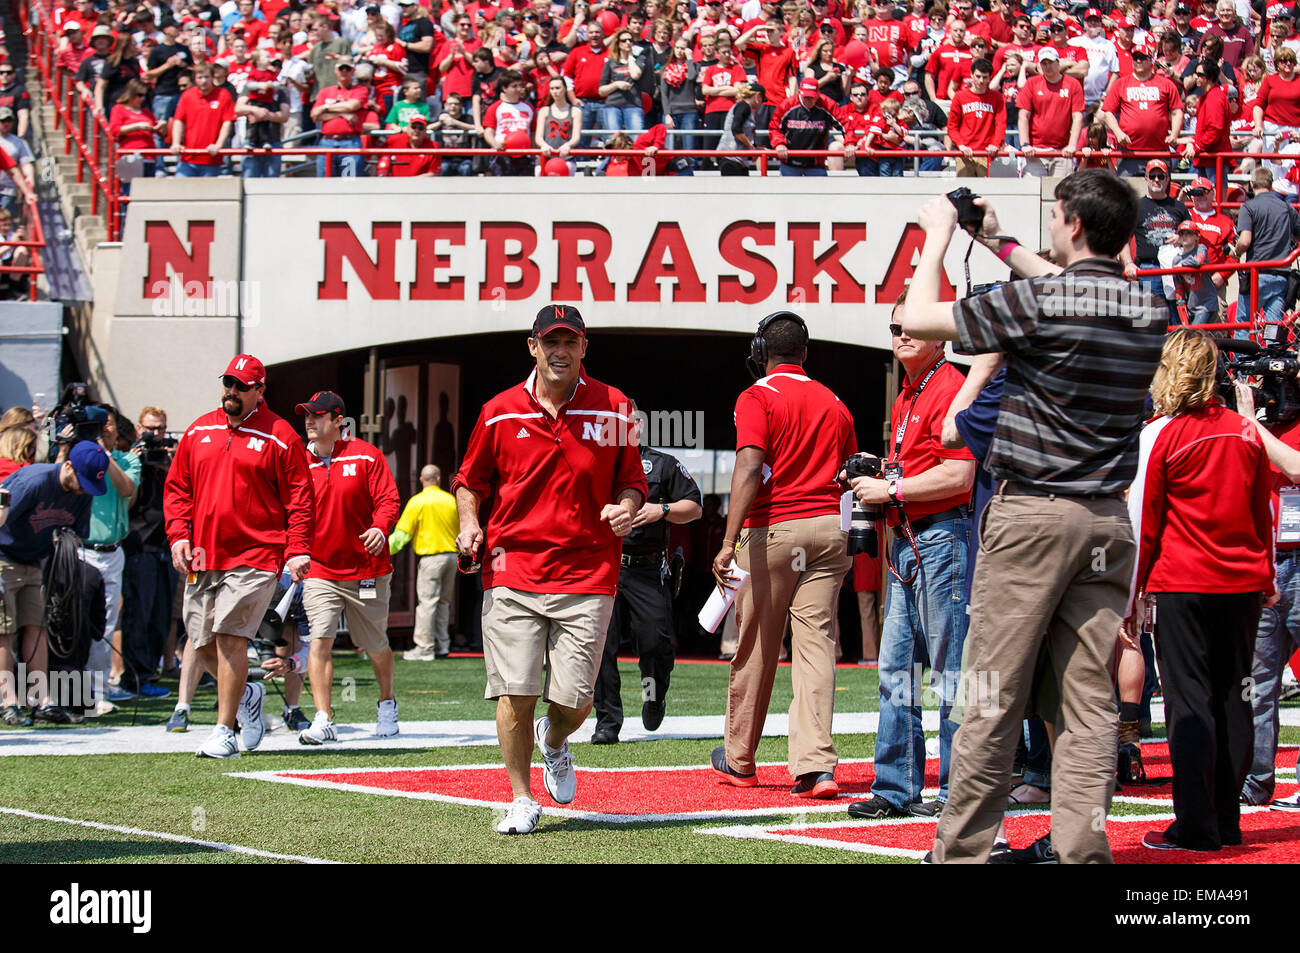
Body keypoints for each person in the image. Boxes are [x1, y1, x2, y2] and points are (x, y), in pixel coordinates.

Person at [903, 170, 1167, 863]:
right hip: (1107, 523)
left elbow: (918, 318)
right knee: (1086, 701)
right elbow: (1073, 284)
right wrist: (999, 241)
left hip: (1032, 515)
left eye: (1056, 216)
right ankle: (1083, 848)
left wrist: (936, 239)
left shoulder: (1041, 300)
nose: (1051, 226)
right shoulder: (1144, 308)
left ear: (1074, 224)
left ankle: (959, 850)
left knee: (992, 690)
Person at [452, 305, 646, 835]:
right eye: (550, 341)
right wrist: (470, 522)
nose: (561, 351)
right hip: (512, 569)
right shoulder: (498, 411)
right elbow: (470, 480)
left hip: (588, 573)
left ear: (584, 348)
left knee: (575, 701)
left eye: (571, 342)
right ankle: (520, 797)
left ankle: (555, 740)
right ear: (532, 346)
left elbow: (633, 481)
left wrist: (627, 507)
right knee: (514, 689)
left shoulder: (615, 408)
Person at [1127, 329, 1272, 851]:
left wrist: (1134, 593)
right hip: (1243, 582)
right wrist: (1268, 580)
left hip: (1183, 581)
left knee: (1189, 703)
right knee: (1234, 697)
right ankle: (1227, 821)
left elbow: (1149, 521)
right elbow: (1262, 515)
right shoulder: (1246, 433)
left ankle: (1195, 825)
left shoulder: (1166, 436)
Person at [710, 311, 856, 800]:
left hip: (775, 530)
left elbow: (750, 466)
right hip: (830, 531)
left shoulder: (756, 396)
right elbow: (851, 475)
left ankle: (740, 759)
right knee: (815, 645)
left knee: (756, 645)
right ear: (805, 354)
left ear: (760, 353)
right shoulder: (836, 402)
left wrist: (728, 541)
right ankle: (816, 766)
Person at [845, 297, 975, 819]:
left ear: (939, 335)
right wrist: (886, 474)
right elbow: (927, 469)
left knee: (951, 673)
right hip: (911, 541)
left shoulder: (952, 386)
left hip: (940, 536)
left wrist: (890, 491)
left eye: (912, 328)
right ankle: (896, 786)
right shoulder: (910, 392)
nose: (901, 336)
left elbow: (960, 476)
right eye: (895, 328)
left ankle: (956, 791)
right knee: (895, 667)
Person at [163, 354, 315, 759]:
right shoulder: (198, 430)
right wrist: (178, 534)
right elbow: (177, 488)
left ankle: (223, 730)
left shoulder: (281, 436)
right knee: (199, 640)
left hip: (256, 554)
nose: (231, 391)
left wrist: (297, 548)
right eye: (228, 383)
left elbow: (300, 498)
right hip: (203, 555)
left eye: (241, 385)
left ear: (259, 391)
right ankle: (247, 691)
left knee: (231, 637)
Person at [291, 391, 401, 745]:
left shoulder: (367, 455)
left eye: (318, 415)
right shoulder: (295, 461)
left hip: (366, 570)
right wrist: (294, 551)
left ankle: (387, 702)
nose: (309, 421)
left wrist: (379, 528)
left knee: (374, 643)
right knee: (319, 638)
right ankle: (324, 718)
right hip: (320, 569)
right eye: (306, 415)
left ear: (338, 420)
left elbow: (389, 499)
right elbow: (290, 510)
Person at [592, 405, 702, 744]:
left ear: (640, 427)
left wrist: (662, 510)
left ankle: (653, 695)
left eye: (630, 424)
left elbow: (695, 507)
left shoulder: (663, 464)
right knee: (601, 647)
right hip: (605, 566)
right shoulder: (594, 463)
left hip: (647, 569)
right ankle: (607, 722)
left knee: (654, 642)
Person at [0, 441, 109, 725]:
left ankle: (43, 700)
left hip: (36, 562)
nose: (84, 489)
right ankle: (8, 702)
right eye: (81, 481)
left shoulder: (84, 490)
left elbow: (75, 532)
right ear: (68, 466)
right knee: (4, 630)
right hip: (4, 557)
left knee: (36, 629)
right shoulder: (33, 481)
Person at [79, 406, 142, 715]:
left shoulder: (127, 459)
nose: (104, 428)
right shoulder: (76, 455)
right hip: (78, 548)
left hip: (111, 551)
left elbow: (126, 489)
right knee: (73, 622)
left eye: (109, 423)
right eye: (98, 424)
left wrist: (102, 455)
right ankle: (70, 692)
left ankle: (99, 692)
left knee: (104, 624)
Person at [390, 463, 458, 660]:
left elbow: (402, 535)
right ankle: (443, 645)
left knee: (427, 603)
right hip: (452, 557)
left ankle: (424, 648)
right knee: (444, 603)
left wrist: (382, 550)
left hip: (431, 558)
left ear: (421, 480)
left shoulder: (417, 502)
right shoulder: (450, 501)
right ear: (438, 479)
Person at [1098, 40, 1183, 177]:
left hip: (1158, 151)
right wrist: (1118, 133)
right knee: (1129, 194)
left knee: (1158, 195)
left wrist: (1174, 134)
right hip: (1129, 152)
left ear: (1151, 60)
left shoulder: (1165, 84)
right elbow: (1108, 112)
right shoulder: (1121, 84)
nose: (1138, 61)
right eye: (1135, 57)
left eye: (1142, 57)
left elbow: (1176, 111)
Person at [1120, 158, 1187, 324]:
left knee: (1177, 320)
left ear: (1168, 179)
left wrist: (1181, 238)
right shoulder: (1136, 206)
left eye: (1161, 176)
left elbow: (1194, 235)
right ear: (1146, 178)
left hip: (1175, 269)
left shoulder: (1179, 207)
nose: (1156, 180)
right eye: (1153, 176)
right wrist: (1128, 262)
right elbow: (1122, 239)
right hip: (1149, 269)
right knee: (1149, 321)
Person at [1235, 166, 1300, 325]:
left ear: (1252, 183)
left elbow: (1244, 241)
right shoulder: (1286, 208)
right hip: (1281, 274)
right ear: (1271, 184)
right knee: (1274, 325)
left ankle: (1243, 351)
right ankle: (1272, 350)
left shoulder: (1248, 207)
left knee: (1245, 323)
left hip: (1257, 273)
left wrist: (1236, 251)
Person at [1019, 47, 1085, 178]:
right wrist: (1025, 144)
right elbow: (1023, 115)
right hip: (1035, 150)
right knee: (1033, 193)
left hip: (1062, 151)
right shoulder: (1032, 83)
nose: (1047, 66)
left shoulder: (1073, 84)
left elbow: (1077, 117)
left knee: (1061, 194)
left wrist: (1072, 145)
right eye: (1044, 63)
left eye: (1050, 62)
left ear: (1058, 63)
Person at [769, 76, 844, 175]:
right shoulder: (788, 105)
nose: (808, 100)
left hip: (816, 163)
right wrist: (779, 144)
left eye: (811, 97)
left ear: (818, 94)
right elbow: (774, 126)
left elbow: (845, 122)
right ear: (800, 92)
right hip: (790, 162)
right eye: (806, 97)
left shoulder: (827, 104)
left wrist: (850, 143)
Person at [171, 65, 236, 177]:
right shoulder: (187, 95)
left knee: (207, 194)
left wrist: (218, 145)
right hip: (187, 158)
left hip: (211, 159)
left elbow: (227, 122)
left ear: (212, 77)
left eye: (206, 77)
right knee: (181, 193)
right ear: (195, 79)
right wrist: (176, 143)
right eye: (200, 77)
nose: (204, 81)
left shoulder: (223, 94)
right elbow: (178, 120)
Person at [311, 55, 369, 177]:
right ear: (335, 70)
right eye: (341, 68)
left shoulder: (360, 90)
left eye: (347, 69)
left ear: (353, 71)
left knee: (350, 183)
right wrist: (342, 113)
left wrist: (326, 108)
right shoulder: (325, 91)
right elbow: (315, 115)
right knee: (325, 183)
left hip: (350, 141)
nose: (344, 72)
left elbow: (351, 106)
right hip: (327, 141)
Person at [947, 57, 1005, 177]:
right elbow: (952, 126)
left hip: (987, 152)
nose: (981, 81)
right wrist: (960, 145)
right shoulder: (959, 97)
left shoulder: (997, 98)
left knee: (986, 191)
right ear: (971, 75)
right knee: (964, 192)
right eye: (978, 76)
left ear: (990, 78)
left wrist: (995, 144)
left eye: (985, 77)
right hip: (965, 153)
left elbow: (1001, 124)